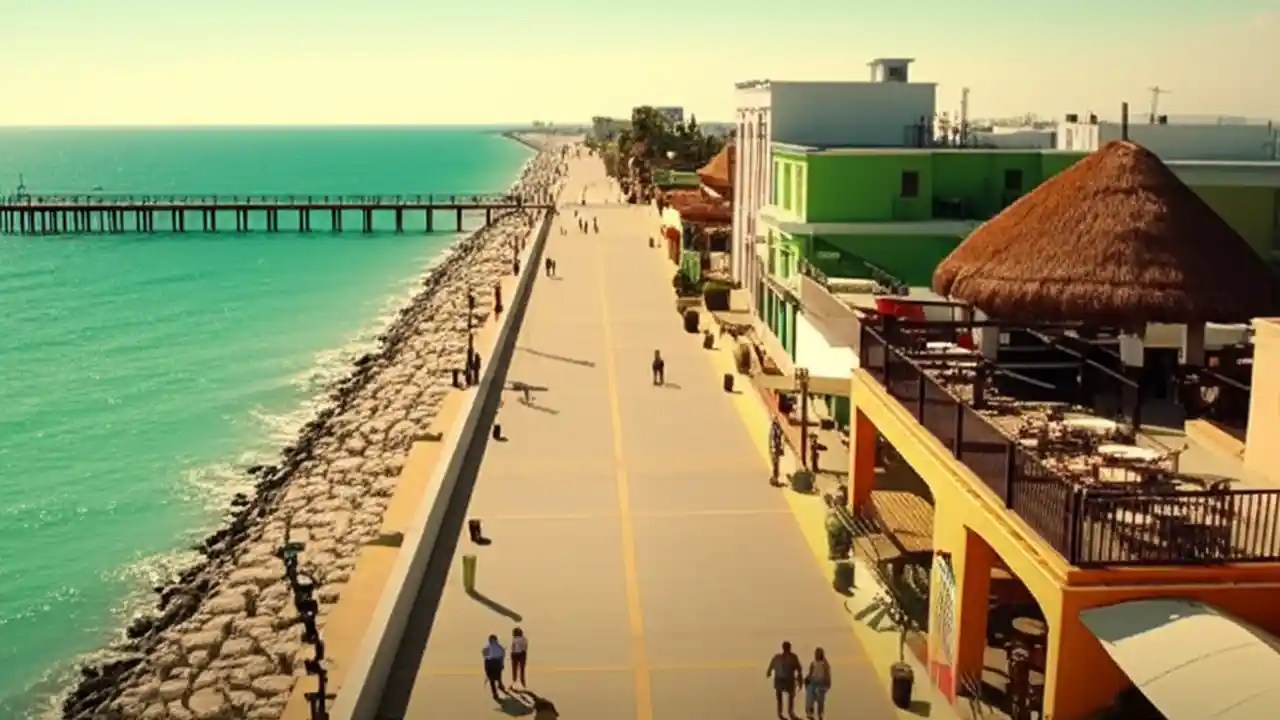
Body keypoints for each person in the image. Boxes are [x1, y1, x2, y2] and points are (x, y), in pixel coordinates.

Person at [766, 641, 803, 719]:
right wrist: (769, 671)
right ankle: (783, 712)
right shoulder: (779, 657)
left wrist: (800, 680)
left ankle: (788, 712)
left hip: (786, 680)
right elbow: (771, 665)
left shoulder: (791, 657)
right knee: (782, 695)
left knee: (788, 695)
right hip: (782, 679)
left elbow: (799, 669)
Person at [804, 647, 832, 719]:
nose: (817, 655)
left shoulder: (824, 664)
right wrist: (806, 679)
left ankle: (820, 714)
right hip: (813, 682)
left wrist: (827, 684)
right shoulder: (813, 663)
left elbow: (827, 675)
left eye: (818, 654)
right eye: (816, 653)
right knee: (810, 696)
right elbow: (810, 674)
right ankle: (810, 711)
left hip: (822, 683)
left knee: (820, 699)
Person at [482, 635, 507, 700]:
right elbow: (502, 656)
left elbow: (484, 656)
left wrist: (486, 668)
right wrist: (502, 664)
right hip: (496, 662)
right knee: (498, 677)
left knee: (492, 680)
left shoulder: (487, 647)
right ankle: (500, 686)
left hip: (490, 663)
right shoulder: (499, 647)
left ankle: (495, 693)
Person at [769, 417, 784, 486]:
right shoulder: (775, 429)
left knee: (775, 465)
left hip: (773, 449)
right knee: (776, 465)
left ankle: (774, 479)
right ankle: (774, 479)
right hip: (775, 449)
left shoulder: (773, 429)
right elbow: (777, 437)